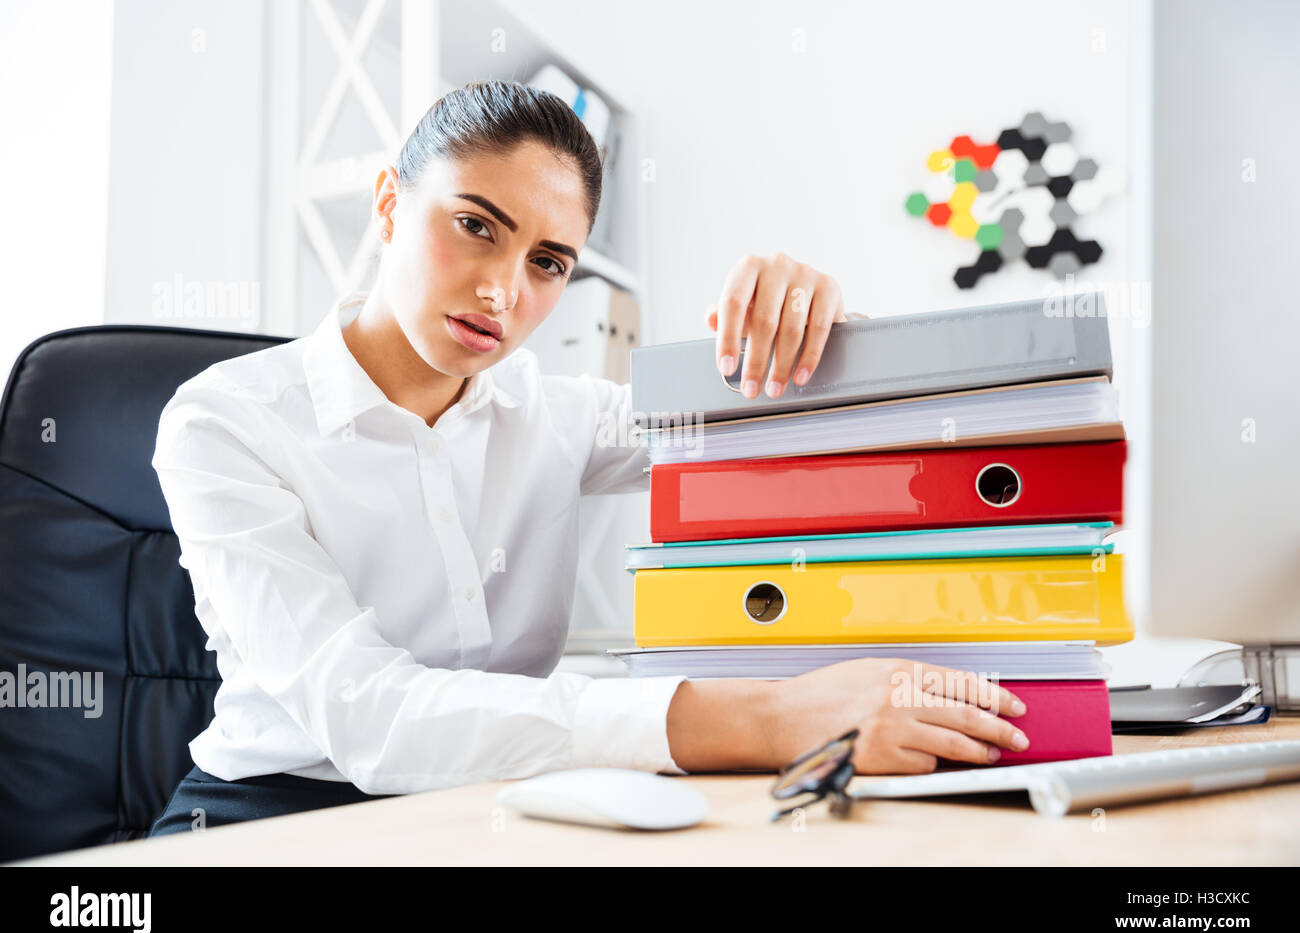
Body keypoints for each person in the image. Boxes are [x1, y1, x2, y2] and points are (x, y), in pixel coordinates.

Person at [148, 79, 1028, 837]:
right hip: (269, 813)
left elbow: (803, 430)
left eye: (548, 262)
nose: (503, 292)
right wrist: (779, 715)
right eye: (474, 226)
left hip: (500, 805)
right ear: (388, 203)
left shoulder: (558, 414)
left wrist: (825, 335)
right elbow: (370, 716)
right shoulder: (226, 421)